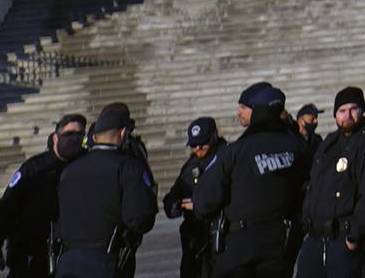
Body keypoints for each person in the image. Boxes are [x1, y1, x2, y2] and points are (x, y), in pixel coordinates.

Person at [194, 83, 309, 278]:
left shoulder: (236, 151)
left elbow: (205, 201)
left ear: (258, 111)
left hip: (239, 248)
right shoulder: (299, 147)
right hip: (282, 245)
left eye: (244, 107)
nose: (238, 112)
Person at [52, 104, 159, 278]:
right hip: (106, 260)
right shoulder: (127, 167)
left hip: (68, 261)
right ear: (124, 133)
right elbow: (140, 218)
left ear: (94, 136)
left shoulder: (69, 170)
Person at [304, 87, 365, 278]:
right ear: (335, 115)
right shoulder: (329, 142)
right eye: (342, 111)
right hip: (316, 238)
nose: (348, 115)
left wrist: (353, 237)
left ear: (362, 111)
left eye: (353, 109)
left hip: (344, 240)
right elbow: (314, 184)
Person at [0, 114, 88, 278]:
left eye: (79, 134)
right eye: (68, 134)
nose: (74, 139)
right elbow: (7, 208)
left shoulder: (88, 164)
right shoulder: (35, 168)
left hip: (73, 255)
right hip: (32, 255)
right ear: (55, 138)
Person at [169, 116, 227, 278]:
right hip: (194, 238)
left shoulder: (227, 157)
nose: (198, 148)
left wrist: (200, 204)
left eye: (203, 143)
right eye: (194, 145)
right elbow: (175, 192)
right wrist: (175, 204)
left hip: (219, 236)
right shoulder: (191, 164)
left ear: (215, 135)